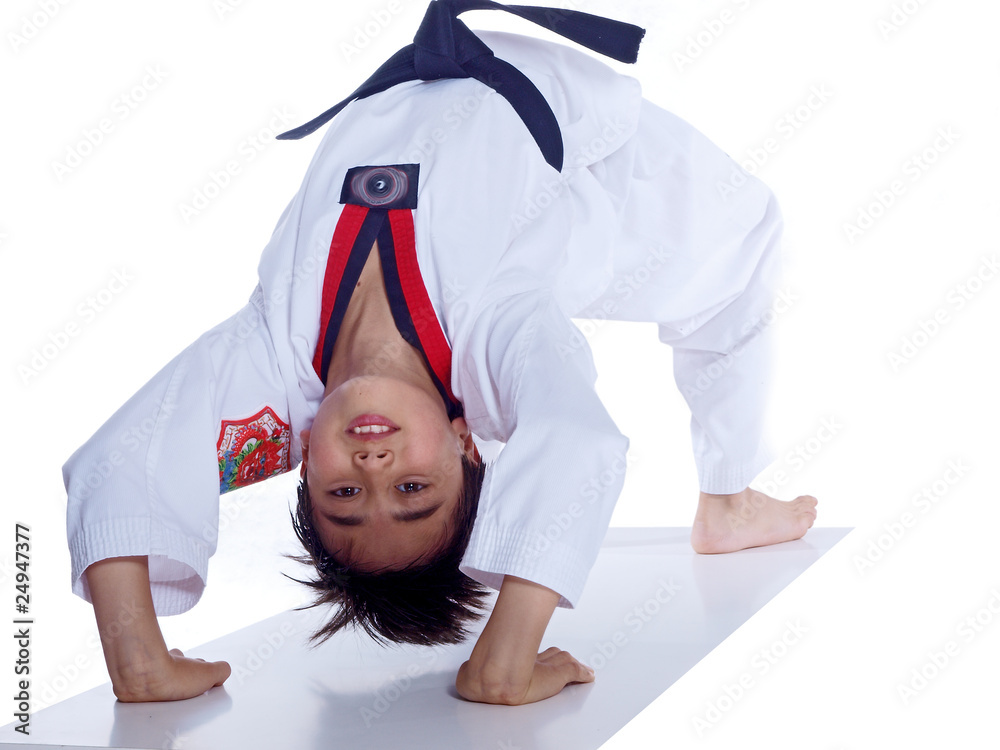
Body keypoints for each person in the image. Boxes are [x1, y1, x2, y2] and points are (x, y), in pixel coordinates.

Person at [64, 0, 817, 707]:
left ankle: (725, 501)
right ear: (467, 445)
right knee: (747, 239)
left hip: (427, 73)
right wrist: (504, 658)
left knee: (706, 254)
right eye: (416, 491)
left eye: (344, 498)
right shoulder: (498, 337)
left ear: (299, 457)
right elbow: (580, 443)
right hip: (579, 138)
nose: (375, 471)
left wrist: (138, 659)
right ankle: (728, 497)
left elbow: (129, 453)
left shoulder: (273, 357)